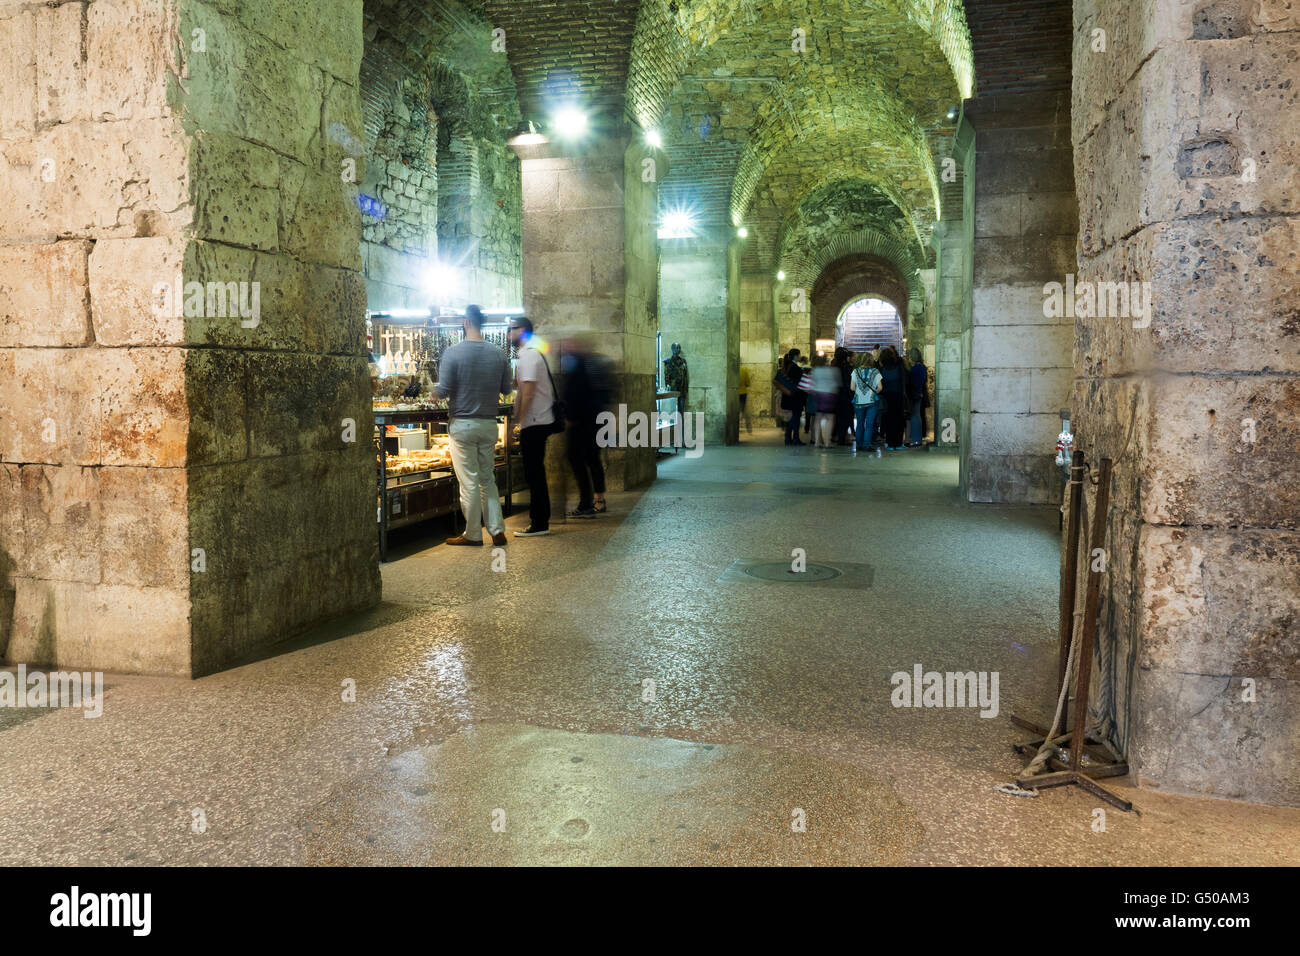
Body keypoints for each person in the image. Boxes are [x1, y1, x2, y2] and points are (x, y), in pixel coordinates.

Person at [435, 305, 513, 547]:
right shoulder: (499, 353)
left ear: (466, 323)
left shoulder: (453, 353)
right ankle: (497, 531)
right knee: (487, 478)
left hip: (463, 424)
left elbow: (443, 390)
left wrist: (432, 392)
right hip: (489, 424)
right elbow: (507, 389)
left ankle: (472, 534)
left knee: (468, 480)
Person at [509, 316, 557, 537]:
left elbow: (527, 393)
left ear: (523, 331)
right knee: (534, 472)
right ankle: (539, 520)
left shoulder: (529, 356)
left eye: (512, 330)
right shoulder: (528, 354)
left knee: (534, 473)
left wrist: (519, 420)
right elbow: (521, 391)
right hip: (537, 421)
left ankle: (539, 523)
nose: (509, 334)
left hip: (535, 422)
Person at [561, 334, 609, 519]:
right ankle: (597, 499)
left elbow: (575, 394)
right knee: (591, 459)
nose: (567, 345)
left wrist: (570, 416)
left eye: (570, 342)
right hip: (593, 420)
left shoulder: (578, 364)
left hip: (582, 422)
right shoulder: (592, 363)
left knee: (578, 459)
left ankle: (587, 502)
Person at [851, 353, 882, 457]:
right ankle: (866, 445)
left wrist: (860, 392)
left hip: (859, 401)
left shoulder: (855, 371)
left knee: (860, 423)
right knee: (869, 424)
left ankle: (858, 445)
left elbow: (852, 387)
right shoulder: (875, 371)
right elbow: (880, 387)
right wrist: (873, 392)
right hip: (872, 401)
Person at [877, 346, 908, 450]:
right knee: (899, 419)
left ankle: (890, 443)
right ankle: (898, 443)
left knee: (888, 420)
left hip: (886, 396)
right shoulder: (899, 366)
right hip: (898, 395)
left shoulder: (881, 369)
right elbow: (905, 380)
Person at [808, 355, 839, 449]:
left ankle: (817, 442)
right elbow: (837, 383)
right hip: (830, 395)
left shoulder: (814, 371)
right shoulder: (833, 370)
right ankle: (827, 442)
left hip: (818, 395)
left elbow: (810, 384)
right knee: (830, 418)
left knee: (818, 418)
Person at [776, 350, 805, 446]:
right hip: (795, 397)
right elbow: (799, 383)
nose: (800, 356)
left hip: (788, 395)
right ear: (795, 356)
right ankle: (795, 438)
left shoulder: (787, 367)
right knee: (795, 418)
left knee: (791, 418)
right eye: (799, 355)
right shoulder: (795, 368)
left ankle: (788, 438)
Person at [906, 347, 928, 447]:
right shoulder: (923, 367)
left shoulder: (914, 369)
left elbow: (911, 382)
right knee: (918, 416)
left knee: (914, 416)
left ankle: (915, 440)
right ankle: (918, 439)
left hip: (913, 394)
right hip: (919, 393)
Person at [831, 348, 854, 445]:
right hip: (845, 395)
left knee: (838, 417)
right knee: (845, 417)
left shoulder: (834, 366)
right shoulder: (846, 367)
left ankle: (838, 437)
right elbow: (848, 381)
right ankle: (842, 438)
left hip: (835, 394)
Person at [737, 365, 752, 435]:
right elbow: (748, 383)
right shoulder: (744, 370)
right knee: (743, 410)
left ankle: (736, 427)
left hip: (734, 393)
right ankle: (749, 429)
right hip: (743, 393)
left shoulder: (731, 370)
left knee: (735, 411)